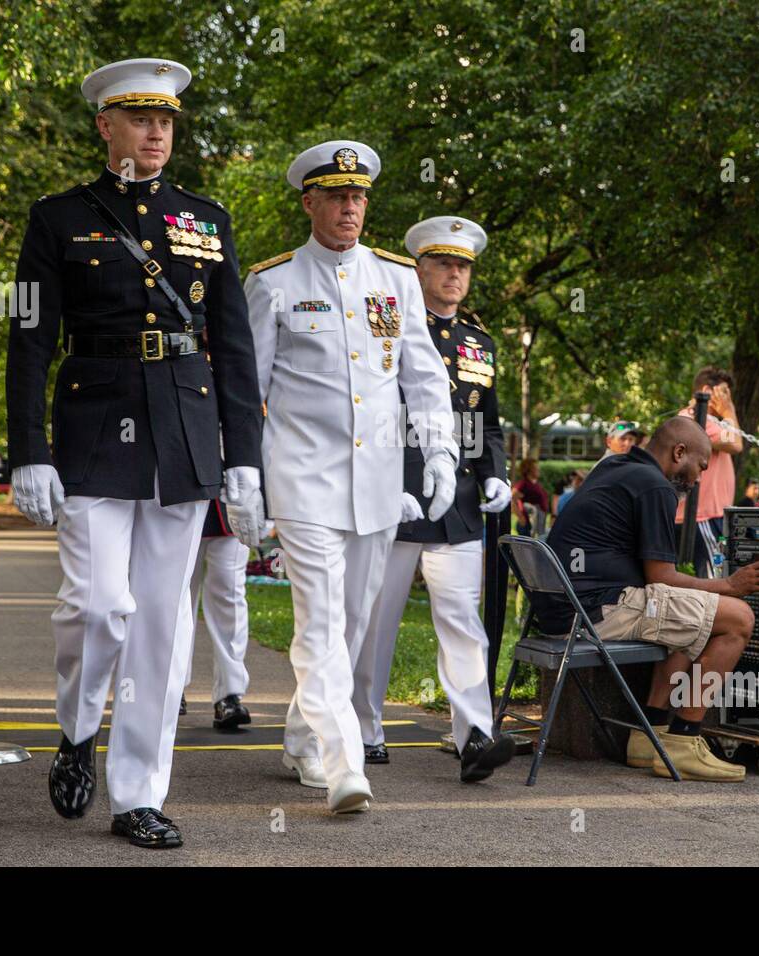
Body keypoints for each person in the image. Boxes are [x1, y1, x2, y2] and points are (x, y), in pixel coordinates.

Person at [5, 58, 264, 849]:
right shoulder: (57, 218)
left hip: (184, 433)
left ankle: (138, 795)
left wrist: (245, 458)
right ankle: (79, 727)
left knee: (161, 623)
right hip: (92, 429)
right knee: (98, 605)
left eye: (167, 121)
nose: (157, 133)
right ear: (104, 126)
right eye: (140, 119)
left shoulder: (206, 218)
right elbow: (28, 340)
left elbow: (235, 347)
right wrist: (28, 450)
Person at [244, 140, 458, 814]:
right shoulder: (274, 282)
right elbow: (247, 391)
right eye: (336, 196)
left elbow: (423, 375)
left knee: (350, 626)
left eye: (359, 196)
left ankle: (303, 740)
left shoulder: (395, 278)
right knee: (318, 622)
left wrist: (443, 453)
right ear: (309, 202)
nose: (349, 207)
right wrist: (244, 476)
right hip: (303, 478)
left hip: (375, 483)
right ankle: (343, 764)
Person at [353, 215, 515, 780]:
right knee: (377, 620)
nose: (454, 273)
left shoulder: (479, 342)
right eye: (443, 263)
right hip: (395, 492)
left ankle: (475, 736)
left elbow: (487, 423)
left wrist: (496, 471)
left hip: (460, 500)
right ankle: (364, 727)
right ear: (417, 269)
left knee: (461, 620)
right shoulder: (384, 327)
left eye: (463, 265)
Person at [530, 417, 759, 781]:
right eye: (700, 466)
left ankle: (649, 735)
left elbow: (661, 586)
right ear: (679, 452)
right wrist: (731, 585)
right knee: (738, 617)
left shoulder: (617, 465)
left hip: (563, 608)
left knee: (691, 616)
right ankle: (684, 739)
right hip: (593, 612)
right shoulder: (654, 487)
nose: (698, 480)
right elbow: (661, 578)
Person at [184, 498, 252, 729]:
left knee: (229, 594)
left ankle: (229, 693)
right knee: (176, 597)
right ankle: (171, 684)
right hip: (179, 494)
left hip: (228, 500)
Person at [673, 367, 742, 577]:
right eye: (724, 392)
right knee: (715, 579)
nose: (727, 399)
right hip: (701, 517)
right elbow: (736, 444)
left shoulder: (713, 421)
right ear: (706, 390)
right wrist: (729, 412)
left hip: (712, 515)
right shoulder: (695, 418)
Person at [511, 457, 549, 536]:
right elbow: (511, 500)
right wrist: (520, 516)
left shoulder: (535, 483)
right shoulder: (524, 484)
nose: (538, 469)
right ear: (528, 470)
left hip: (538, 522)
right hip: (528, 524)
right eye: (535, 468)